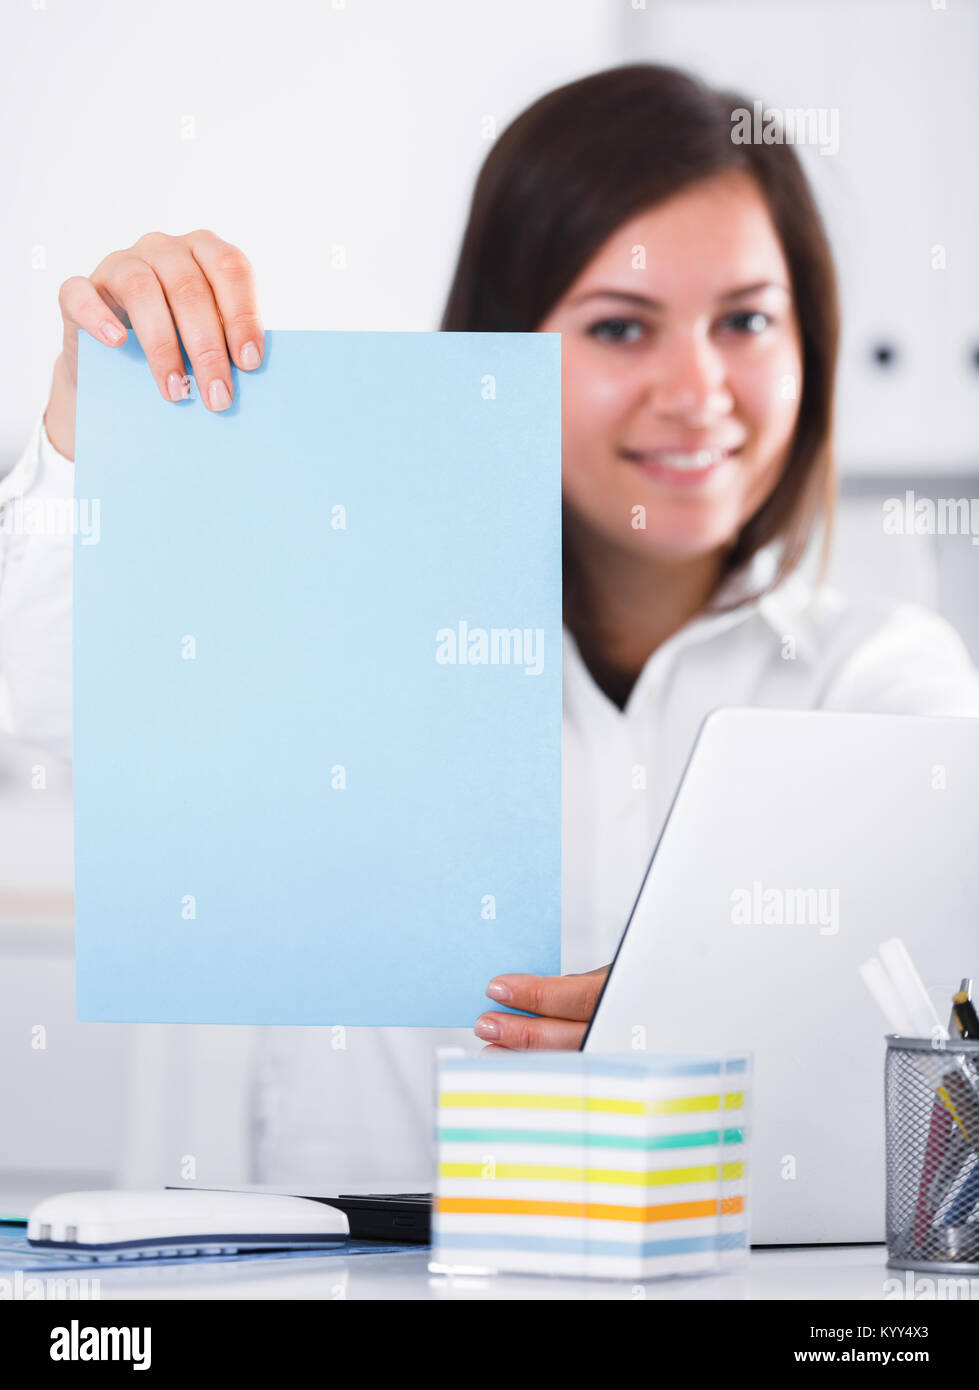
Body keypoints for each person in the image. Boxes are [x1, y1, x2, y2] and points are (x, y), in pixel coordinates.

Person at [3, 65, 978, 1187]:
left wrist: (727, 1016)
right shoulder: (345, 637)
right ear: (502, 348)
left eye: (747, 320)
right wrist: (95, 428)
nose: (699, 387)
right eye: (621, 327)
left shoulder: (881, 682)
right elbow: (64, 698)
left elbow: (945, 1030)